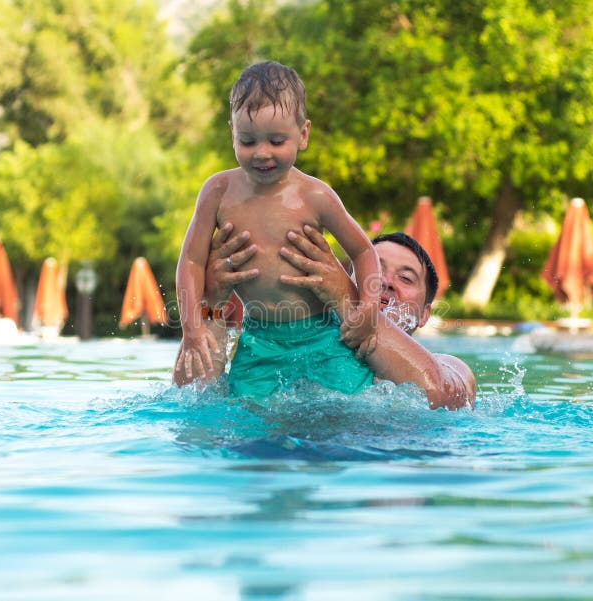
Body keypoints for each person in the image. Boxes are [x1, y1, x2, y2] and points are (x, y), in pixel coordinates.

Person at [175, 61, 381, 399]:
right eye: (248, 140)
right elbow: (192, 263)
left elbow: (362, 251)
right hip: (259, 341)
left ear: (303, 135)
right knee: (246, 416)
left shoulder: (315, 196)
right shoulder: (217, 192)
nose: (262, 153)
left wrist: (369, 308)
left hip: (324, 337)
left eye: (276, 140)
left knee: (352, 409)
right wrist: (192, 326)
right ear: (232, 133)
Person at [174, 224, 476, 410]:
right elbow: (194, 398)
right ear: (343, 277)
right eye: (376, 269)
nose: (384, 282)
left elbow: (441, 396)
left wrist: (348, 297)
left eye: (406, 278)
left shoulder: (449, 366)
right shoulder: (295, 343)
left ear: (424, 315)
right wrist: (212, 302)